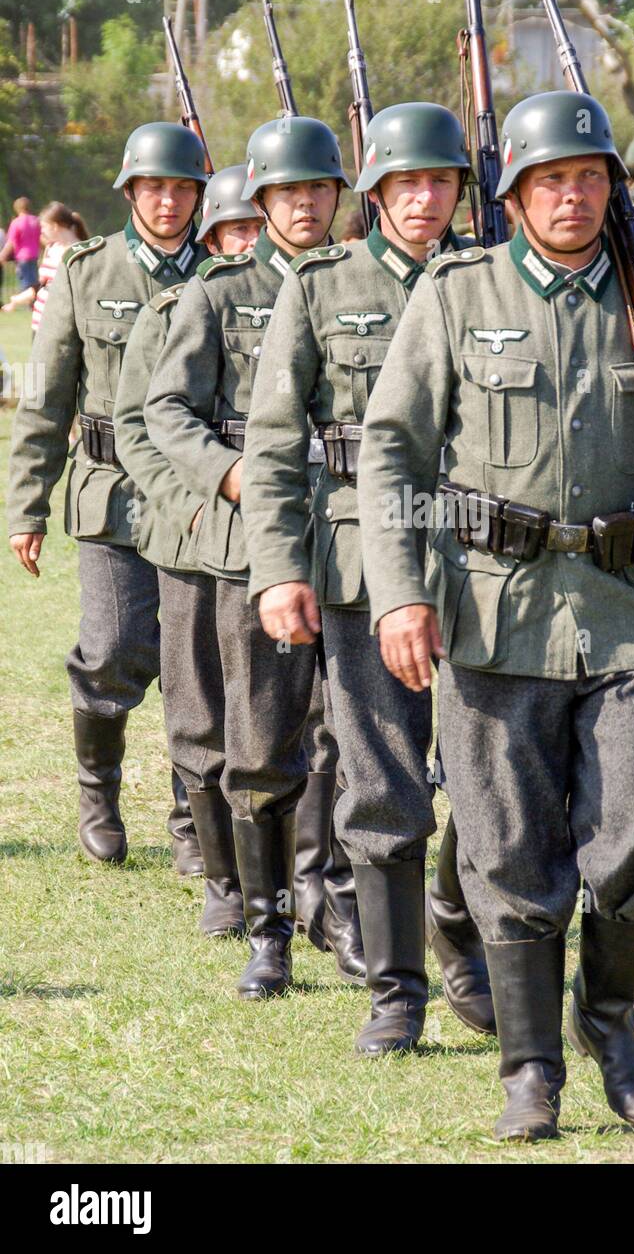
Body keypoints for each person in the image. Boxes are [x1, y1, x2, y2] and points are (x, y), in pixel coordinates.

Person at [355, 89, 634, 1139]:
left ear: (613, 190)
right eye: (550, 180)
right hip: (497, 609)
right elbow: (391, 448)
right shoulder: (455, 293)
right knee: (508, 848)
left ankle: (609, 1020)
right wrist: (398, 590)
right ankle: (531, 1069)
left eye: (590, 178)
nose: (572, 196)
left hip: (629, 607)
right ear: (516, 194)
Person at [240, 103, 496, 1055]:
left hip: (483, 564)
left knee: (491, 784)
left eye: (441, 182)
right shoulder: (321, 284)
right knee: (384, 783)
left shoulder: (494, 279)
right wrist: (277, 570)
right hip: (356, 563)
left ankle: (462, 935)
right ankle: (397, 991)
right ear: (376, 192)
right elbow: (271, 445)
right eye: (406, 184)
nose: (425, 199)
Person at [143, 116, 365, 999]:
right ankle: (265, 926)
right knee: (264, 739)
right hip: (253, 545)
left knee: (349, 734)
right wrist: (230, 477)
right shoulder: (216, 294)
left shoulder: (361, 283)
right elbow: (165, 412)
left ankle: (333, 901)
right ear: (262, 200)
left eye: (318, 190)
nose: (304, 204)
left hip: (350, 540)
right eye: (286, 192)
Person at [6, 124, 209, 873]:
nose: (168, 200)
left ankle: (194, 818)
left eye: (183, 187)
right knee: (116, 646)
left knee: (200, 664)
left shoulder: (222, 271)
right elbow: (46, 398)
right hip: (111, 494)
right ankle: (99, 792)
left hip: (196, 503)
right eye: (154, 186)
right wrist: (27, 506)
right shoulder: (88, 274)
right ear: (129, 192)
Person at [114, 165, 263, 940]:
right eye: (235, 231)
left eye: (255, 229)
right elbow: (139, 426)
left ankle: (293, 873)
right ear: (211, 240)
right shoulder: (174, 308)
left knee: (275, 713)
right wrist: (194, 506)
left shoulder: (291, 305)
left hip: (275, 544)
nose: (249, 243)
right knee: (199, 706)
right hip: (190, 539)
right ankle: (221, 878)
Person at [2, 204, 89, 328]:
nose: (41, 231)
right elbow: (43, 286)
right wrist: (17, 300)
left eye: (43, 226)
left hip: (59, 325)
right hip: (40, 323)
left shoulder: (78, 253)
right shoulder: (51, 248)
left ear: (54, 226)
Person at [0, 197, 42, 293]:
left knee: (26, 283)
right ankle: (36, 302)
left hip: (22, 257)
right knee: (34, 281)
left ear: (16, 208)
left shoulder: (16, 222)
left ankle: (30, 303)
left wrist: (2, 256)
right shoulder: (36, 221)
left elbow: (11, 242)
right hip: (35, 255)